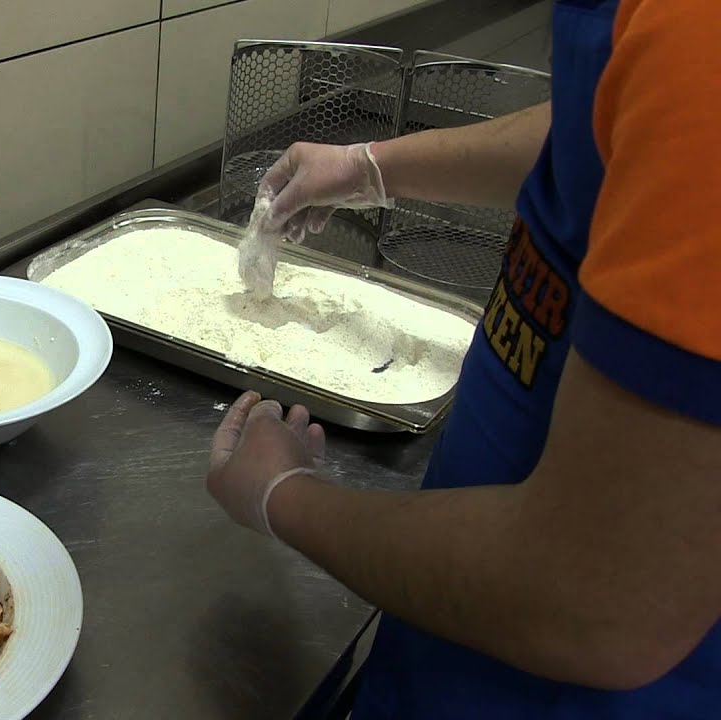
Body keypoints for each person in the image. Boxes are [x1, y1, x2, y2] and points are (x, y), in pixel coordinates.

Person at [205, 1, 720, 717]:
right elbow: (608, 122)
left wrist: (281, 495)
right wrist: (366, 168)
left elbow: (597, 604)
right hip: (460, 643)